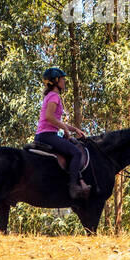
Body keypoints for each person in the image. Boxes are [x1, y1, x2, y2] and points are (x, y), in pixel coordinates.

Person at [34, 67, 90, 199]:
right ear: (56, 81)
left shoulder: (50, 96)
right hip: (47, 135)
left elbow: (55, 120)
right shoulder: (54, 96)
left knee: (72, 147)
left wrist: (74, 129)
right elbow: (49, 117)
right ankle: (73, 186)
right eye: (63, 79)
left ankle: (79, 181)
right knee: (76, 152)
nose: (64, 82)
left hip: (46, 134)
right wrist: (65, 129)